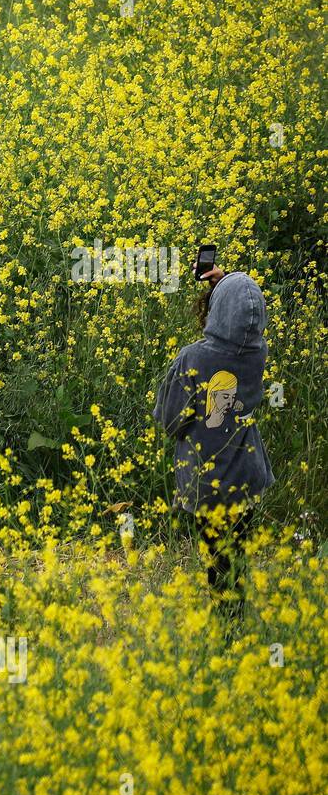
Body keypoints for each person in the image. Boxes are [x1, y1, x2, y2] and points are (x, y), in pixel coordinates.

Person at [152, 261, 275, 639]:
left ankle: (229, 634)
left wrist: (219, 294)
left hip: (209, 480)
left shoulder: (193, 358)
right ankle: (234, 622)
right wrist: (229, 288)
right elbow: (240, 327)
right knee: (233, 551)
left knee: (218, 559)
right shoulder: (257, 353)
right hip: (247, 475)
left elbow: (170, 419)